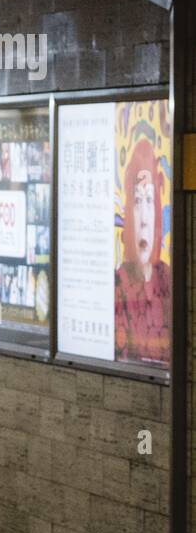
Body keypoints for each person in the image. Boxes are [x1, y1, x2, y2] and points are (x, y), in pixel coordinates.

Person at [115, 138, 171, 367]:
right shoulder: (118, 285)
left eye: (150, 200)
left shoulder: (168, 278)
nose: (145, 219)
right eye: (138, 202)